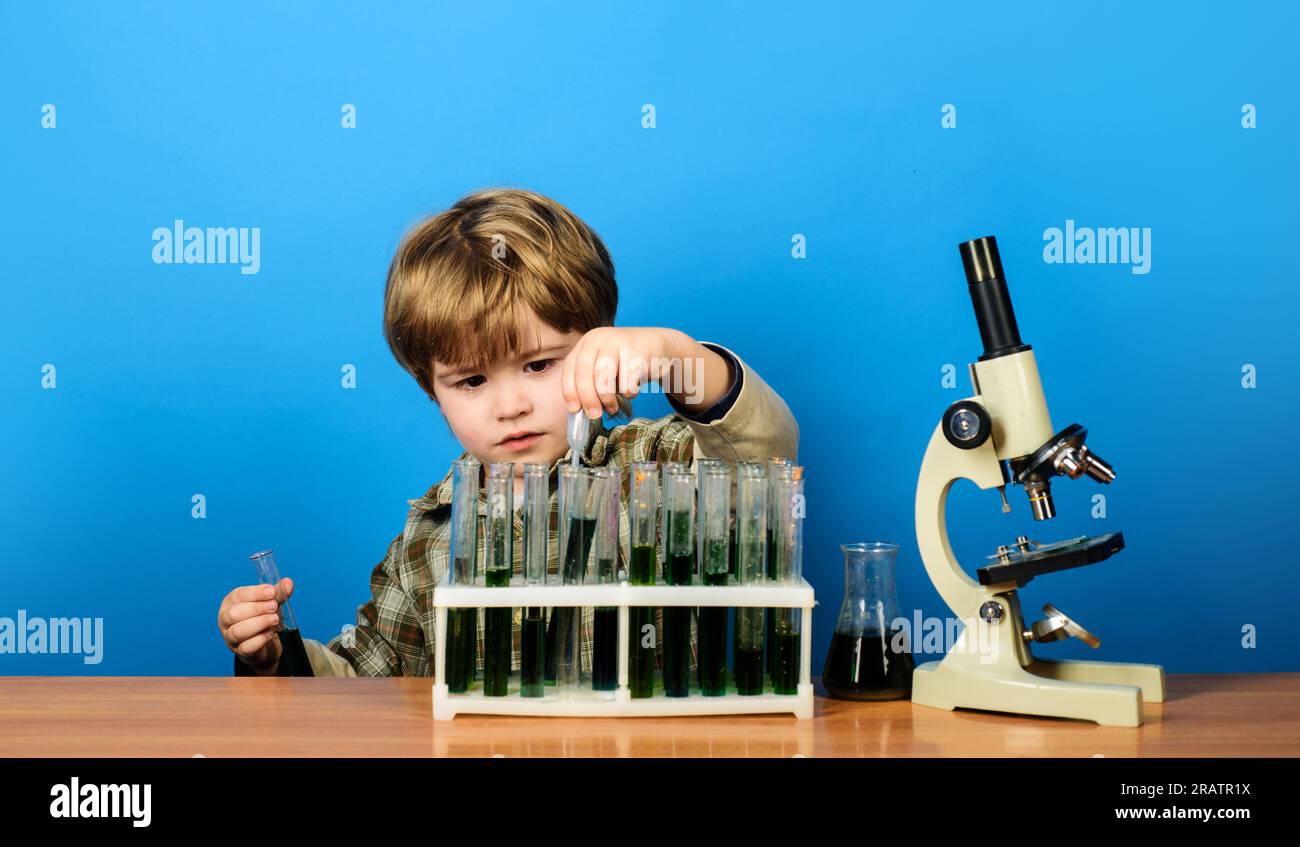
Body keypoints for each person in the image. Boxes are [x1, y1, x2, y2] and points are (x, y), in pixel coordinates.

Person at [217, 187, 798, 677]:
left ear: (600, 348)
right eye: (471, 380)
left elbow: (761, 455)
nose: (511, 405)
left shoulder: (650, 468)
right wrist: (273, 657)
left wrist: (675, 356)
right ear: (434, 395)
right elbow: (369, 677)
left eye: (540, 365)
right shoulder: (430, 532)